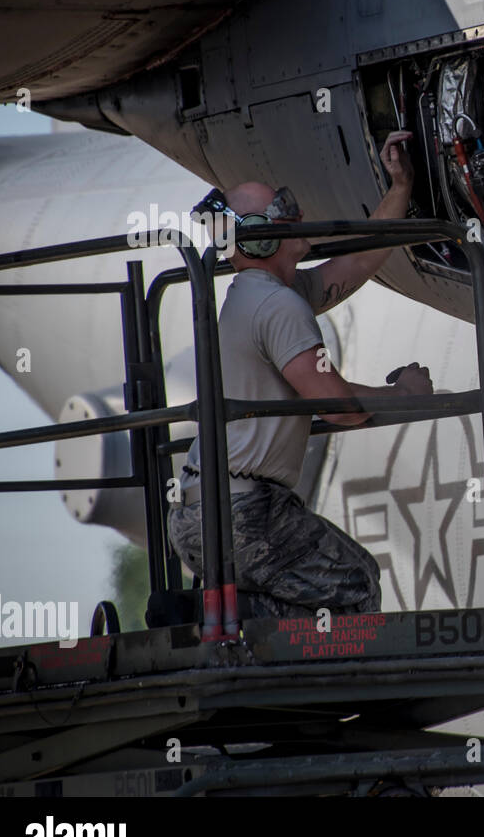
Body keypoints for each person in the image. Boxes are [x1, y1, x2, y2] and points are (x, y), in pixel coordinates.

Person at [168, 130, 432, 620]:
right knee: (355, 585)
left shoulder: (260, 294)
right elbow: (340, 407)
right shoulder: (277, 306)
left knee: (337, 585)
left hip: (204, 511)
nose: (300, 214)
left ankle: (226, 613)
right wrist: (405, 394)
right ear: (260, 236)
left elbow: (356, 263)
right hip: (243, 514)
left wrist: (399, 189)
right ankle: (232, 617)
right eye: (283, 209)